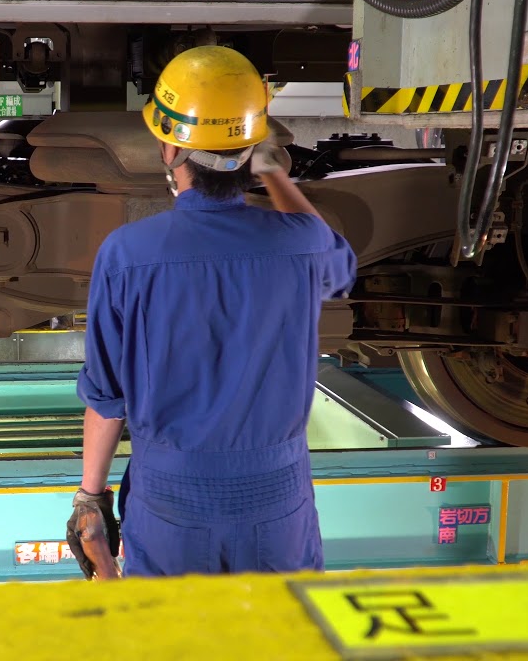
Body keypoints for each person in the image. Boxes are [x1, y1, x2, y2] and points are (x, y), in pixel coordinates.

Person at [65, 45, 357, 579]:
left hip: (171, 505)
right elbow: (340, 266)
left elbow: (107, 398)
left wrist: (90, 497)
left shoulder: (127, 254)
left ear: (170, 147)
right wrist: (275, 175)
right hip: (277, 502)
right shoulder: (302, 244)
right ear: (250, 147)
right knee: (282, 625)